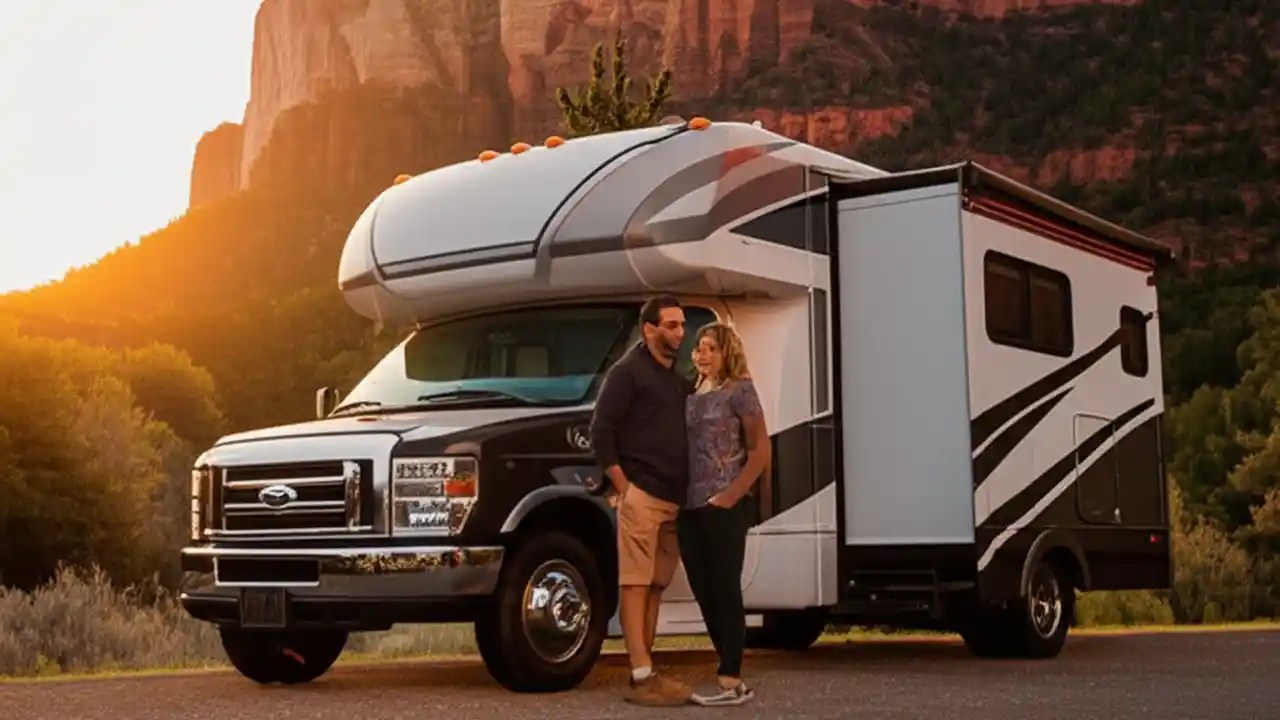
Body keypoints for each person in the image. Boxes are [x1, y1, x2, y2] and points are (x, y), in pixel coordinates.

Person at [590, 294, 697, 706]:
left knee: (655, 585)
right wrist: (625, 488)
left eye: (682, 324)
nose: (679, 332)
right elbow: (601, 431)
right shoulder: (627, 373)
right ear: (650, 329)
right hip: (642, 496)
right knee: (634, 584)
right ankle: (639, 674)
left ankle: (646, 672)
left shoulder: (676, 378)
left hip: (674, 498)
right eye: (671, 325)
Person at [680, 321, 770, 707]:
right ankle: (728, 671)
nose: (701, 354)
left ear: (726, 352)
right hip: (690, 506)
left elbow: (761, 449)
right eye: (699, 347)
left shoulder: (740, 392)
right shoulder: (690, 393)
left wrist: (732, 496)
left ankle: (731, 678)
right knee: (703, 590)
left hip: (723, 506)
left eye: (710, 348)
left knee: (725, 589)